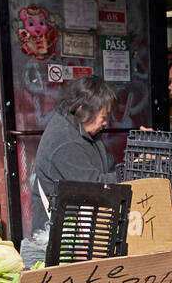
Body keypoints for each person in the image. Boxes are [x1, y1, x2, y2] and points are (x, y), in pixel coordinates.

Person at [29, 73, 117, 238]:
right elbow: (93, 186)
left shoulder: (77, 127)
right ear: (82, 109)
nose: (105, 123)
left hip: (75, 226)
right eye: (103, 117)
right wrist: (127, 176)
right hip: (61, 234)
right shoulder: (66, 141)